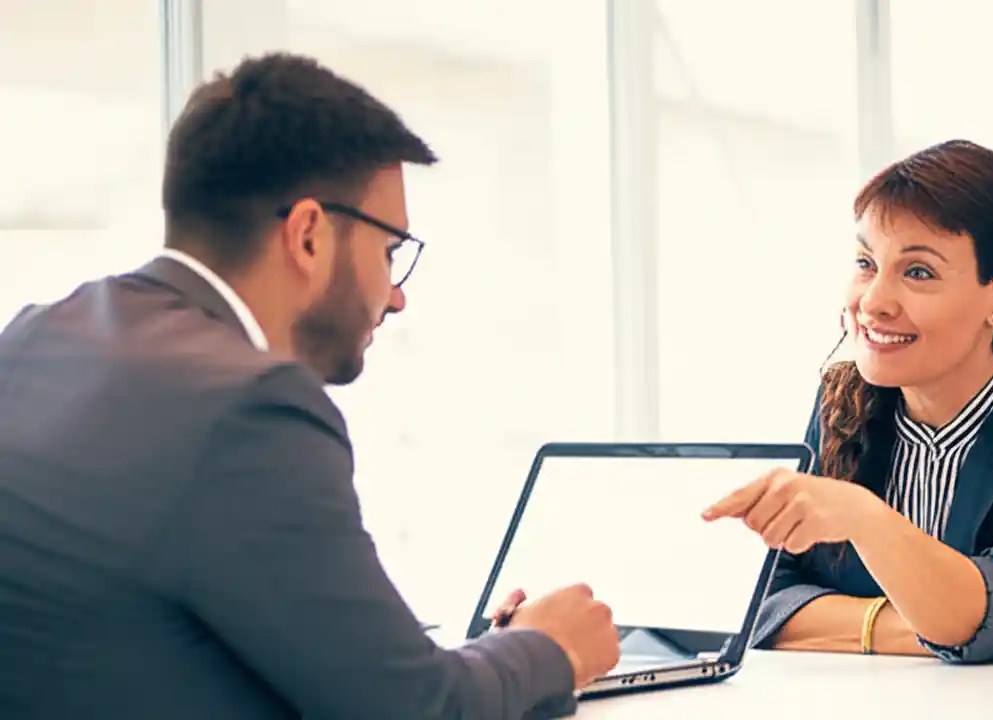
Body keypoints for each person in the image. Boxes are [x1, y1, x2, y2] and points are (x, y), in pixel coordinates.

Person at [0, 53, 618, 718]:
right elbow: (417, 709)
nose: (397, 296)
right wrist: (552, 649)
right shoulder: (247, 408)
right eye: (390, 252)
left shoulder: (37, 338)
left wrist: (478, 655)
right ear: (309, 236)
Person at [703, 140, 993, 666]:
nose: (872, 303)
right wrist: (906, 630)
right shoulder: (842, 402)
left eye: (918, 273)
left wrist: (863, 519)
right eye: (867, 262)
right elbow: (766, 603)